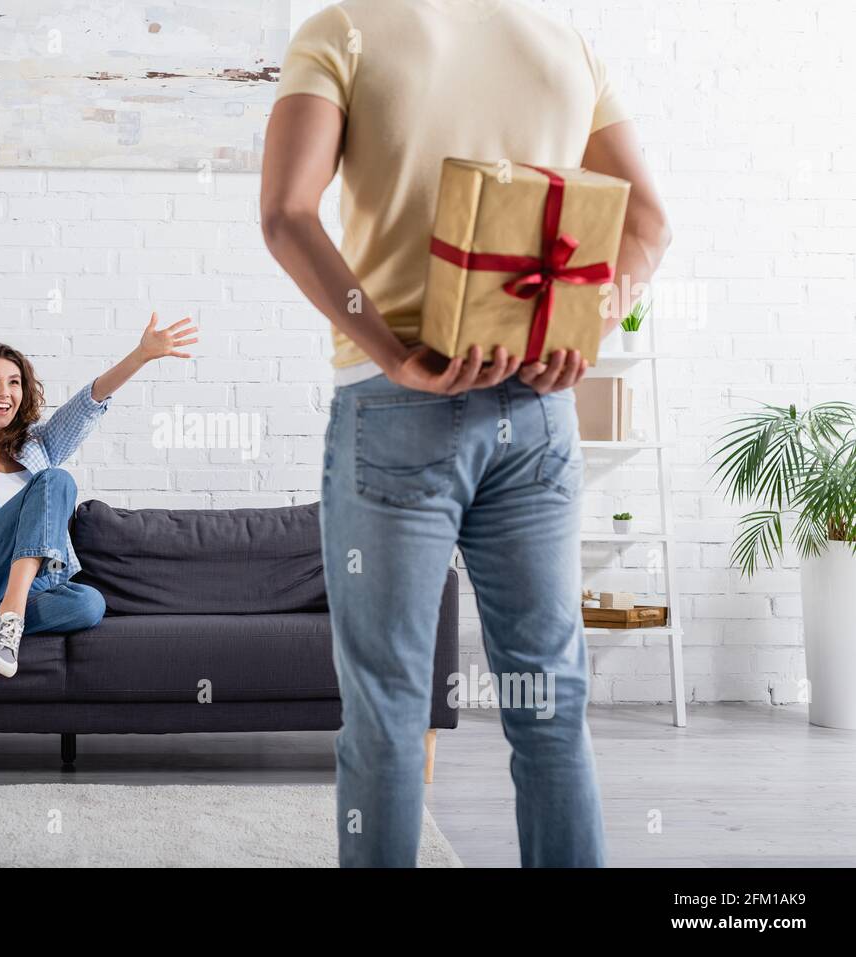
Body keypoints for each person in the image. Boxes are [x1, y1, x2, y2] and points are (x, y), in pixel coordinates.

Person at [260, 0, 671, 866]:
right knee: (552, 708)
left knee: (388, 712)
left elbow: (287, 214)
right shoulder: (566, 43)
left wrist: (395, 354)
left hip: (397, 408)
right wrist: (583, 330)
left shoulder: (341, 31)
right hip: (540, 411)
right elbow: (647, 222)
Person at [0, 309, 198, 678]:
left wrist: (140, 355)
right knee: (56, 481)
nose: (4, 392)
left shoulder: (39, 446)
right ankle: (7, 615)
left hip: (37, 585)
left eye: (14, 383)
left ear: (23, 392)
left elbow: (88, 404)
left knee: (90, 604)